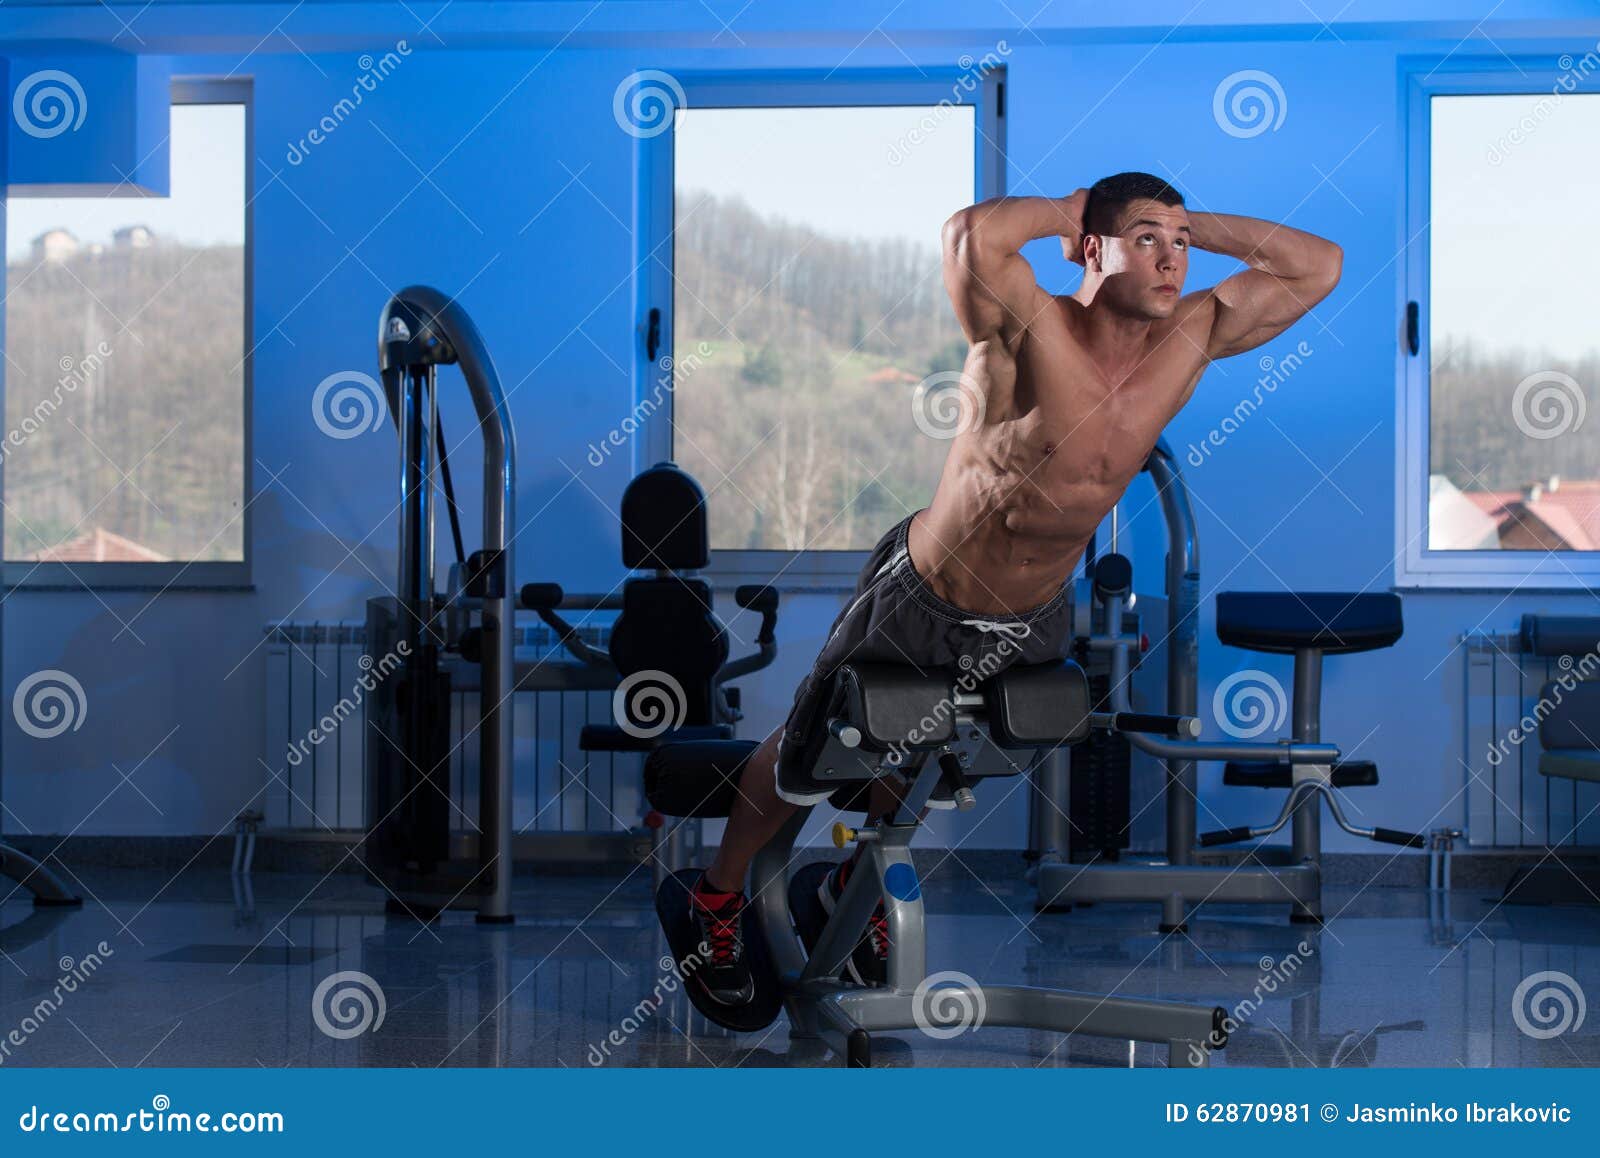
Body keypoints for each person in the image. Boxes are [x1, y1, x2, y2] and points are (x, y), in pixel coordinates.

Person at [682, 171, 1343, 1012]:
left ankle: (851, 884)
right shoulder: (1028, 326)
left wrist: (1183, 224)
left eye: (1178, 245)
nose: (1172, 260)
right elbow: (970, 237)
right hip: (925, 592)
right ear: (1093, 250)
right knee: (814, 752)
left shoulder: (1194, 334)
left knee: (929, 759)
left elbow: (1319, 265)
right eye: (1147, 240)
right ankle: (718, 895)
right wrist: (1075, 213)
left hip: (1030, 617)